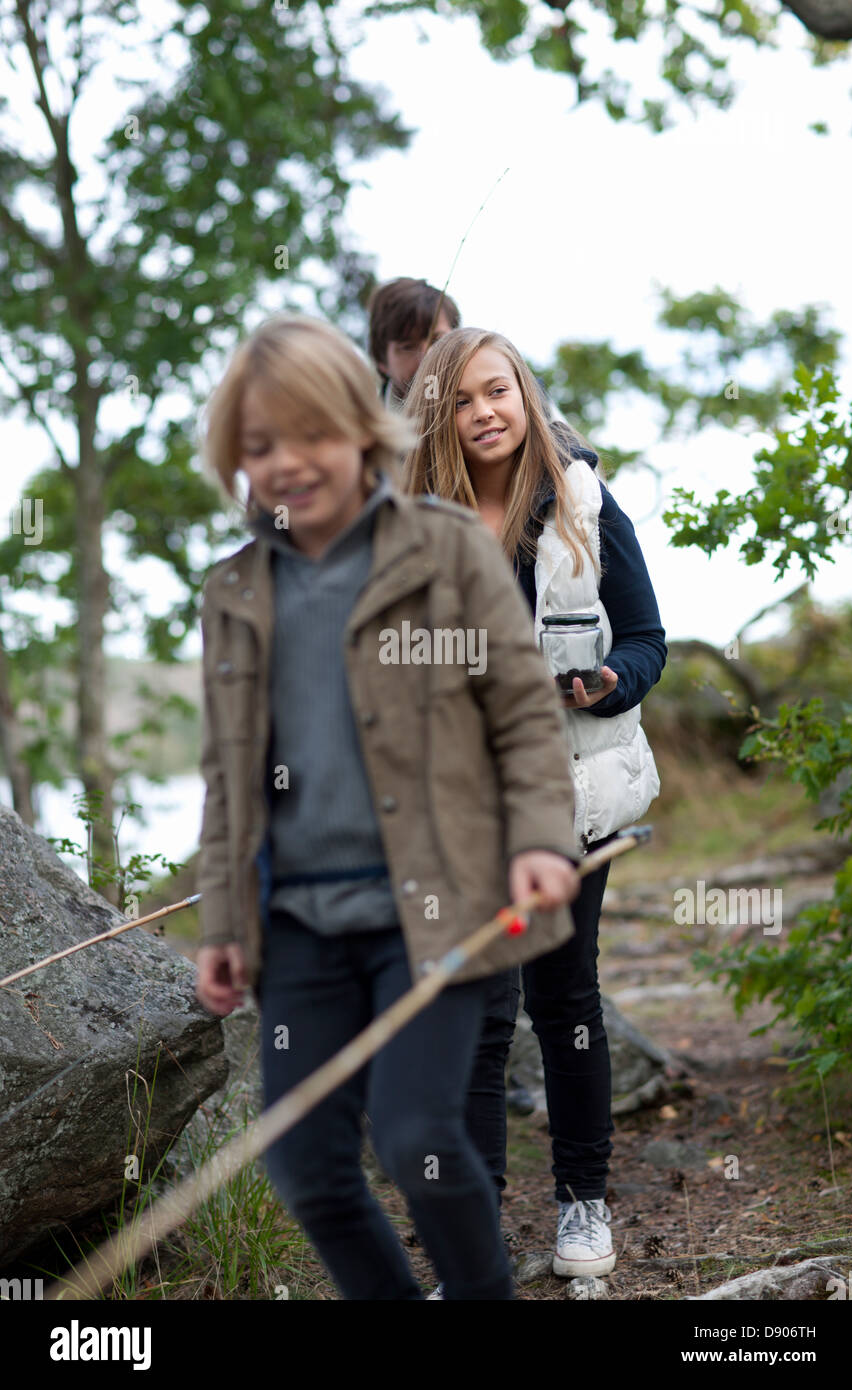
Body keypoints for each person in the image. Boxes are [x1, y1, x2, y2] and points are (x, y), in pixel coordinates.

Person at [193, 313, 585, 1301]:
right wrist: (224, 922)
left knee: (416, 1138)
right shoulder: (234, 590)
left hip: (436, 906)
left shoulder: (444, 551)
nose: (288, 463)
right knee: (304, 1164)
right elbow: (227, 775)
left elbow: (523, 718)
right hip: (299, 931)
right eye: (259, 445)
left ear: (363, 431)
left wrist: (539, 840)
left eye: (312, 434)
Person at [403, 327, 666, 1282]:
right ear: (437, 413)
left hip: (573, 798)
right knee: (474, 1017)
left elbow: (647, 637)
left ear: (524, 395)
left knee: (565, 1001)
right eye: (462, 398)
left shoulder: (587, 506)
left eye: (497, 391)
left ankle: (582, 1208)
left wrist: (609, 680)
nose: (483, 411)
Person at [367, 276, 459, 407]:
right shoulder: (361, 426)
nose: (426, 357)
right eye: (408, 347)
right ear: (382, 361)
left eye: (437, 341)